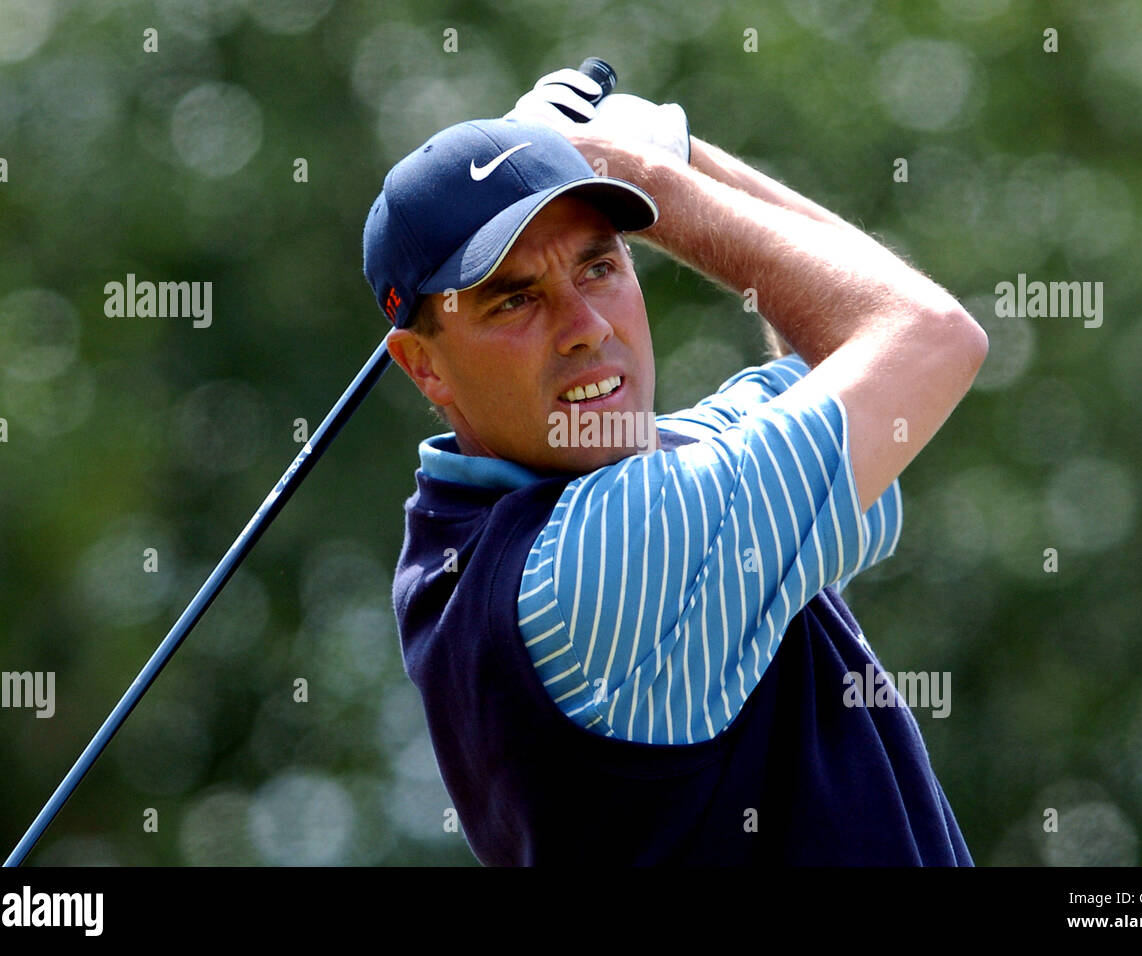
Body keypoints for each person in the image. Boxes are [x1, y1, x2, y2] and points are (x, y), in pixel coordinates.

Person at [363, 68, 988, 865]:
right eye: (515, 299)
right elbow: (929, 336)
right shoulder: (594, 563)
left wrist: (679, 155)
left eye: (599, 267)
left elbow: (839, 348)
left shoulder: (490, 537)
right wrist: (651, 172)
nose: (586, 327)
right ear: (424, 367)